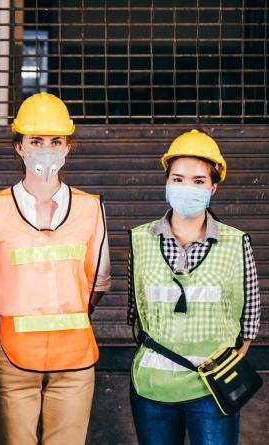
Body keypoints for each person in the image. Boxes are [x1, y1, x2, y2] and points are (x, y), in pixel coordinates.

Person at [0, 92, 111, 445]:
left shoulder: (90, 208)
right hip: (11, 355)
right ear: (19, 147)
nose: (46, 149)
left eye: (55, 141)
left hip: (75, 359)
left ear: (68, 147)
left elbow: (97, 284)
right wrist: (4, 326)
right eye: (36, 141)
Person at [128, 130, 259, 445]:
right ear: (167, 182)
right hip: (151, 389)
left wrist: (222, 370)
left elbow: (250, 321)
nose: (187, 187)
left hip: (212, 392)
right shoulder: (140, 240)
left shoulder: (236, 243)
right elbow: (135, 313)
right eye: (178, 179)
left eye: (198, 181)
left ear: (213, 187)